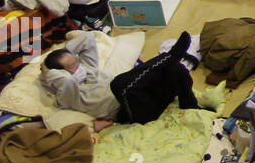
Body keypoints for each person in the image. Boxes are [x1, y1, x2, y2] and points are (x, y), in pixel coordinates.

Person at [41, 31, 224, 128]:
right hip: (132, 113)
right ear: (60, 74)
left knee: (175, 68)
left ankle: (188, 104)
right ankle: (169, 56)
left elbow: (88, 38)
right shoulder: (68, 95)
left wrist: (67, 54)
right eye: (72, 67)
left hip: (149, 98)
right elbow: (65, 81)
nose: (78, 66)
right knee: (118, 84)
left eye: (76, 61)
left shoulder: (88, 68)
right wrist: (46, 69)